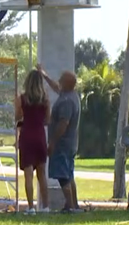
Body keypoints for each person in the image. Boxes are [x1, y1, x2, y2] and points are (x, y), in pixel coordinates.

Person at [37, 65, 81, 212]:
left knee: (63, 176)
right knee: (69, 174)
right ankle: (74, 205)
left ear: (66, 84)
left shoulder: (67, 102)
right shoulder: (70, 95)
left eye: (61, 80)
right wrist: (44, 74)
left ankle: (70, 206)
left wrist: (53, 143)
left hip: (63, 144)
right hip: (70, 143)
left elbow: (63, 124)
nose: (59, 82)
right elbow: (56, 87)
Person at [14, 70, 51, 213]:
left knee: (28, 174)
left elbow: (17, 117)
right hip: (40, 136)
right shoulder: (45, 100)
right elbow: (48, 120)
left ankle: (31, 207)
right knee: (41, 174)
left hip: (26, 135)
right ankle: (45, 206)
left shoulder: (22, 99)